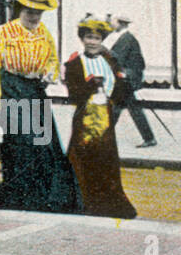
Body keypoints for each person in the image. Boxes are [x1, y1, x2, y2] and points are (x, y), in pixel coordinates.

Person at [0, 0, 82, 214]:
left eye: (38, 13)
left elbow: (53, 62)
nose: (34, 17)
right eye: (29, 12)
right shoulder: (4, 32)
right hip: (11, 88)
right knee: (20, 145)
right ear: (20, 10)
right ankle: (17, 198)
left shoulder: (43, 33)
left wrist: (47, 75)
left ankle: (43, 199)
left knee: (43, 144)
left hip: (35, 90)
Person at [64, 16, 138, 219]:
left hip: (105, 116)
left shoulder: (110, 60)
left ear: (102, 40)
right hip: (84, 117)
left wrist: (124, 84)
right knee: (82, 157)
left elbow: (118, 91)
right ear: (82, 38)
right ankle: (80, 202)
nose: (92, 42)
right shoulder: (74, 63)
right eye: (88, 37)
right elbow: (73, 94)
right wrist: (88, 86)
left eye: (97, 38)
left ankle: (107, 203)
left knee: (105, 158)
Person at [105, 12, 157, 148]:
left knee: (119, 108)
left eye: (113, 21)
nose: (111, 24)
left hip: (126, 81)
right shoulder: (125, 38)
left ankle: (103, 138)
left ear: (121, 23)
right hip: (126, 80)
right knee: (122, 108)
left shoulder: (126, 39)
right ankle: (149, 138)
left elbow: (118, 60)